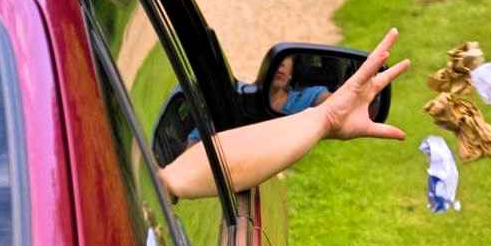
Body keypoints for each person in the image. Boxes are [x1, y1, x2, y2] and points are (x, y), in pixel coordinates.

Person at [160, 28, 409, 200]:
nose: (280, 67)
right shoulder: (166, 180)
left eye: (285, 64)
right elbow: (205, 168)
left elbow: (183, 175)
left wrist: (330, 111)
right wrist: (326, 118)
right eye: (277, 64)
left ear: (292, 72)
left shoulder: (308, 97)